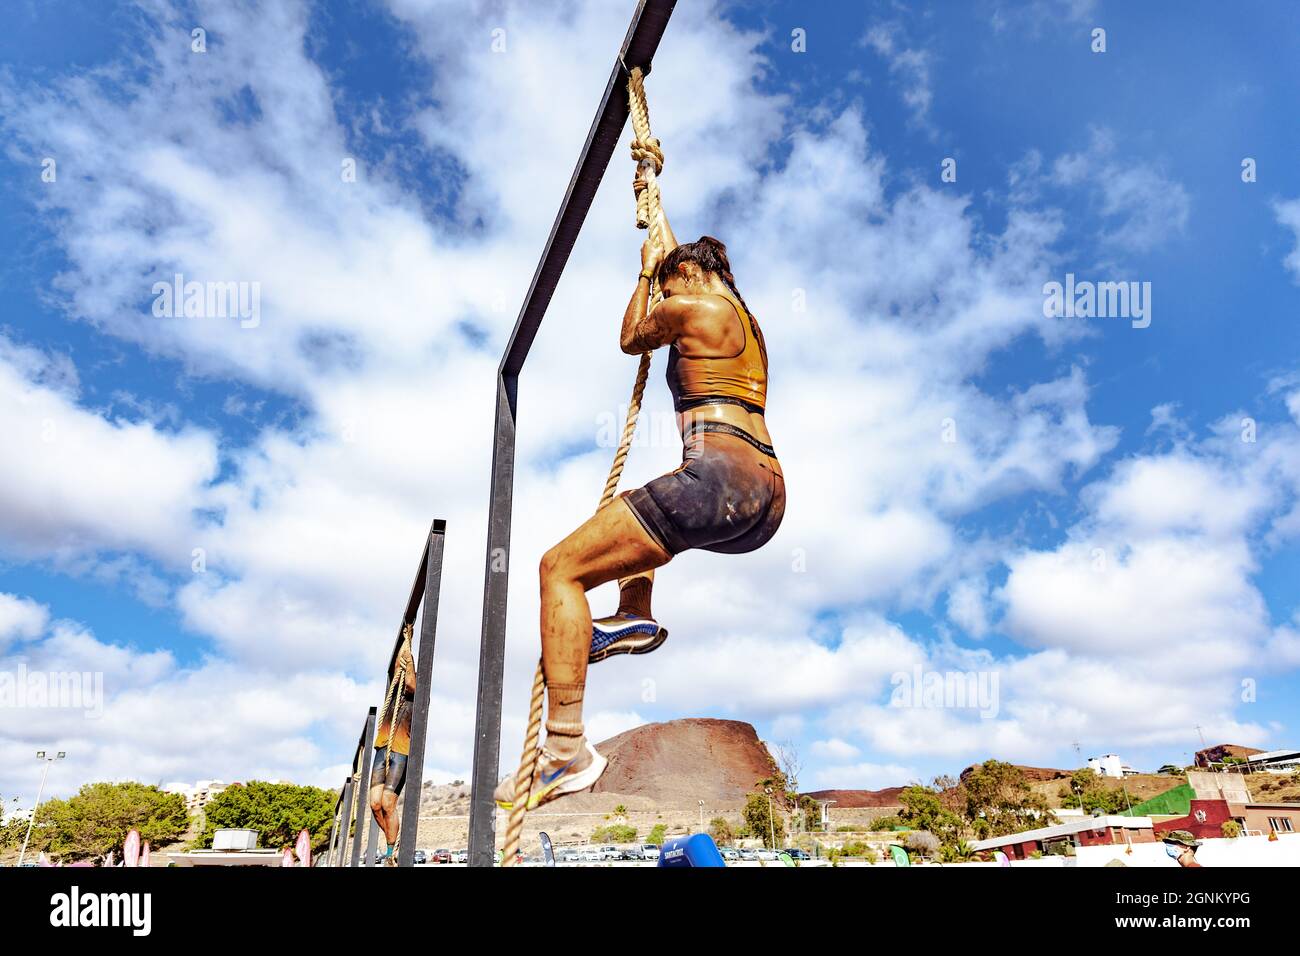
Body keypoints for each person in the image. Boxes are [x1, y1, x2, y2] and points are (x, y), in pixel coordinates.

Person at [496, 210, 785, 810]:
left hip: (718, 477)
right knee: (642, 522)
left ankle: (565, 748)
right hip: (763, 494)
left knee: (560, 569)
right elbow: (675, 255)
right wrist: (655, 204)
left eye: (670, 284)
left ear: (688, 278)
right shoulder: (742, 319)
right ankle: (634, 613)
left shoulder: (692, 305)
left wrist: (644, 274)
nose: (665, 295)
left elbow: (632, 337)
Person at [370, 633, 415, 866]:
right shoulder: (392, 689)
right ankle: (390, 841)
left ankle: (390, 852)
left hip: (400, 749)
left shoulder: (412, 695)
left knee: (388, 802)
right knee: (375, 804)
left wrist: (410, 656)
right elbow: (398, 667)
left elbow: (410, 681)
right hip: (382, 746)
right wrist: (404, 641)